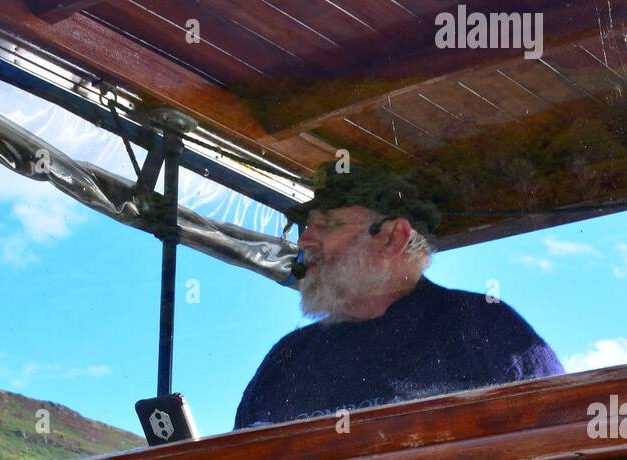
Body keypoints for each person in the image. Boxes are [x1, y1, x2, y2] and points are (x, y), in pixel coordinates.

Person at [234, 164, 564, 430]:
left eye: (329, 223)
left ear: (393, 238)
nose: (305, 240)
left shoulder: (482, 328)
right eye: (307, 226)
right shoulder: (288, 357)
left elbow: (556, 447)